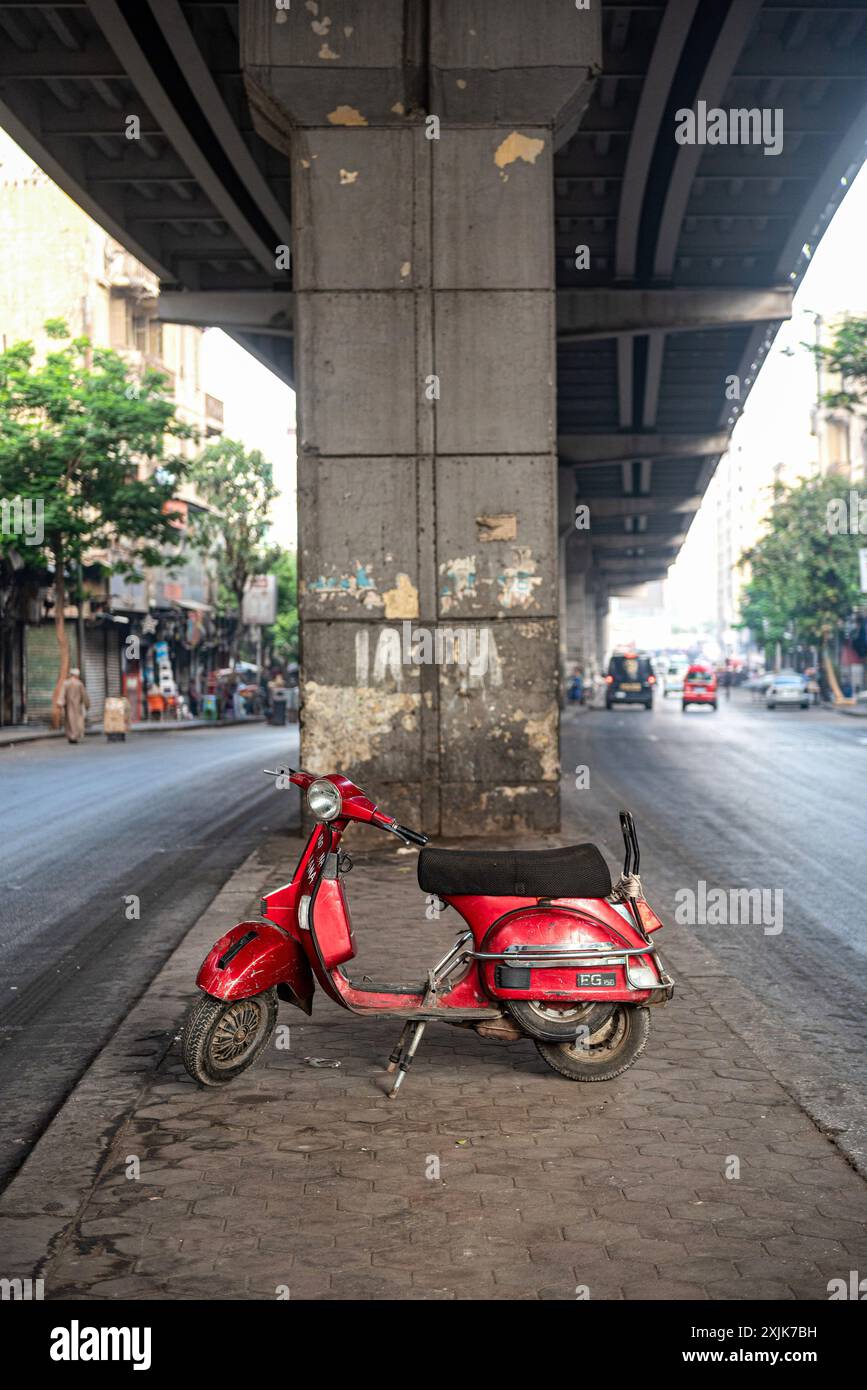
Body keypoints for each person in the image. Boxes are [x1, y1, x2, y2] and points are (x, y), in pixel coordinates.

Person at [57, 667, 90, 744]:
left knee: (69, 721)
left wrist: (60, 703)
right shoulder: (79, 684)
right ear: (77, 675)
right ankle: (75, 736)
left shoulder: (66, 683)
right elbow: (84, 696)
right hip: (77, 706)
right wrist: (87, 705)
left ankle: (70, 736)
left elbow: (62, 694)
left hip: (68, 706)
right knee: (77, 721)